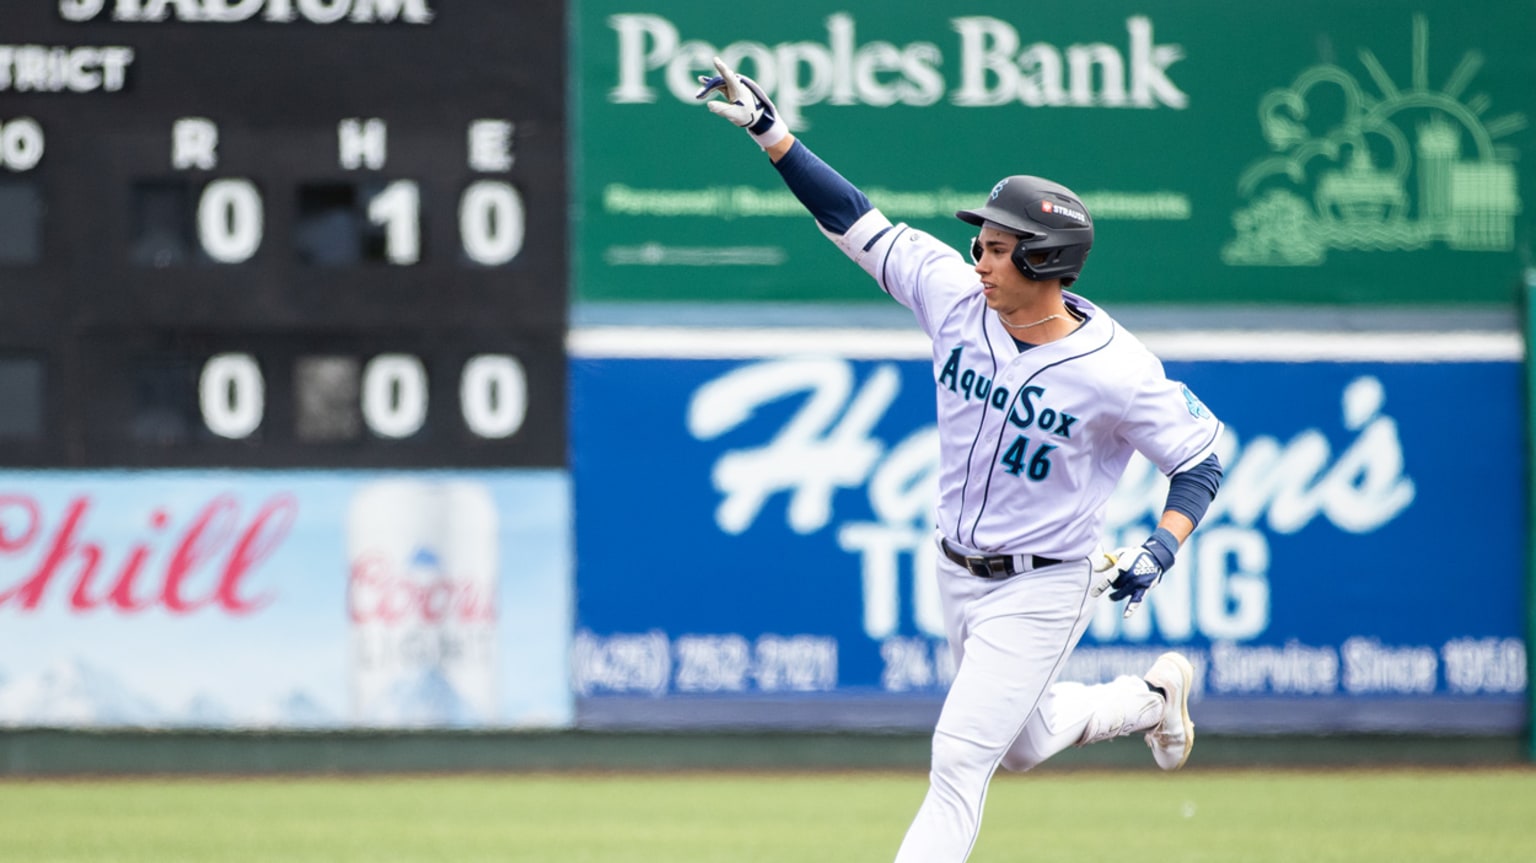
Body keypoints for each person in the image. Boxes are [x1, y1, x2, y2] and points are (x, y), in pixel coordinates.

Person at [695, 58, 1225, 862]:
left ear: (1046, 262)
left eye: (998, 245)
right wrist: (774, 135)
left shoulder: (1116, 370)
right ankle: (1150, 700)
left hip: (1047, 578)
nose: (977, 253)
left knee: (959, 759)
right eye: (979, 238)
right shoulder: (953, 293)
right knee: (1023, 739)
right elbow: (855, 219)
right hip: (955, 565)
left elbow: (1201, 456)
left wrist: (1163, 544)